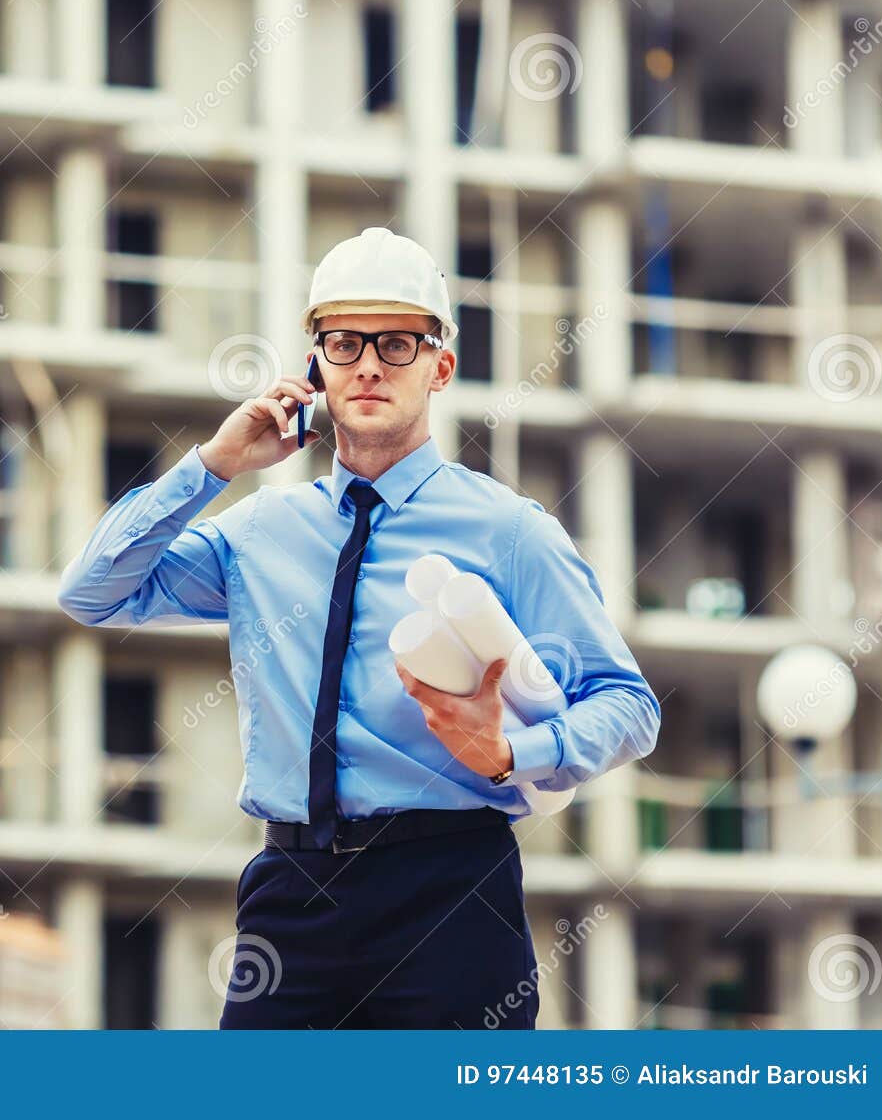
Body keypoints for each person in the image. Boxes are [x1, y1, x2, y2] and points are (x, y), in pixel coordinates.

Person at [56, 227, 659, 1029]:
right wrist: (214, 463)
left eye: (397, 342)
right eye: (344, 342)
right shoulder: (258, 531)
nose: (368, 364)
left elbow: (628, 703)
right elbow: (92, 591)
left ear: (441, 365)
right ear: (315, 367)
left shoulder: (509, 530)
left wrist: (515, 752)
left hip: (451, 891)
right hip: (290, 894)